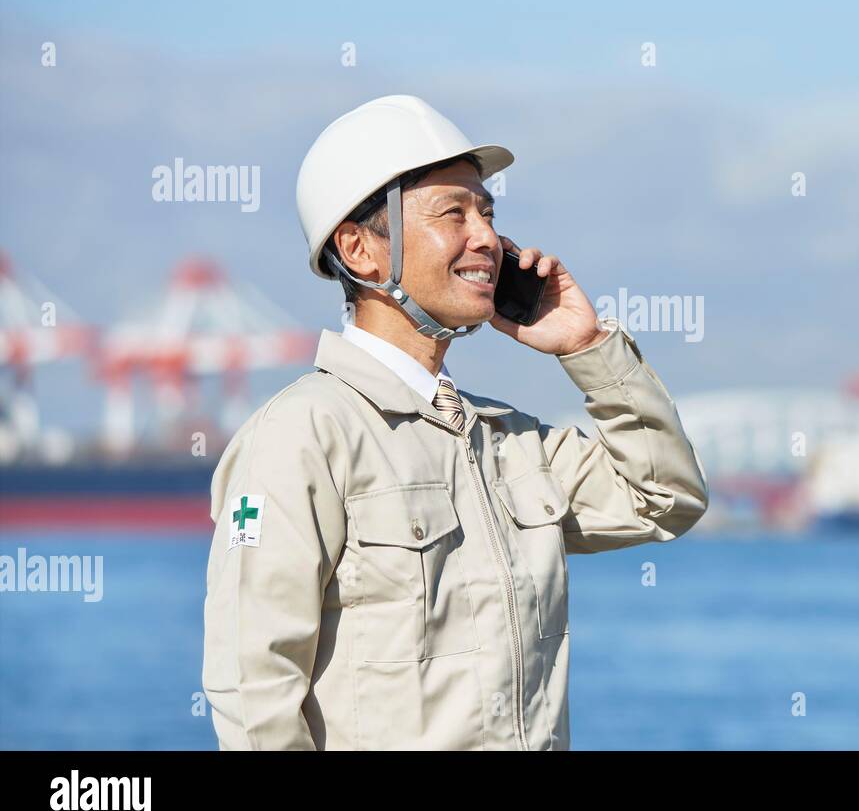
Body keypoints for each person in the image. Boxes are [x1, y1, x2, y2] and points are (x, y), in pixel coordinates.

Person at [201, 95, 709, 749]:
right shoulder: (304, 436)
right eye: (454, 213)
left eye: (488, 214)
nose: (487, 240)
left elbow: (664, 500)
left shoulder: (510, 444)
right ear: (359, 250)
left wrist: (587, 349)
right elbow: (255, 698)